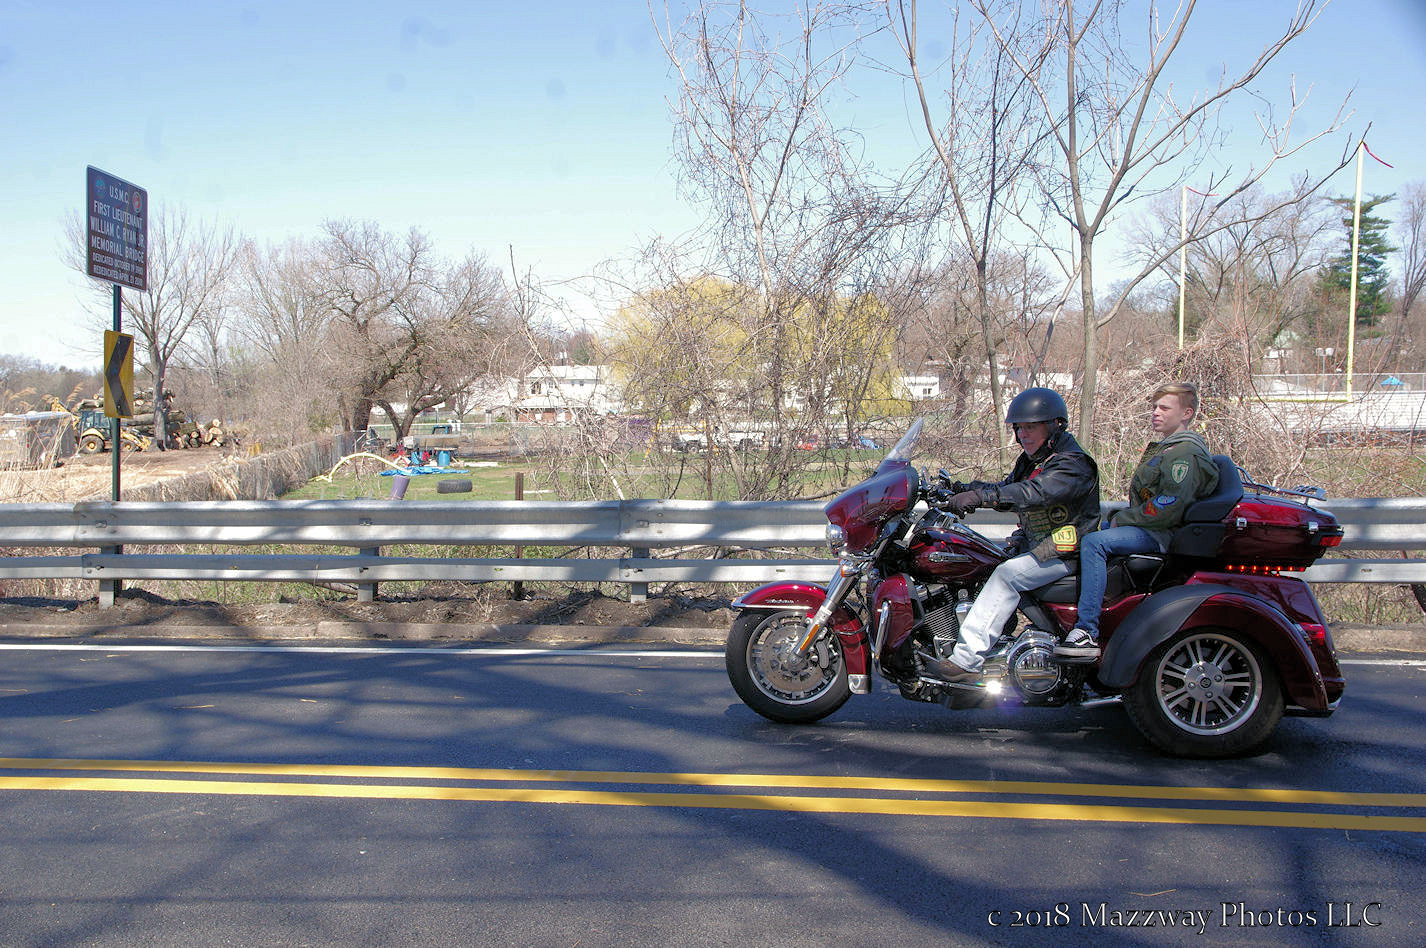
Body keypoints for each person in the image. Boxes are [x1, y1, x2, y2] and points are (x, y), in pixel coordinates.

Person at [927, 387, 1101, 683]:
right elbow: (1008, 486)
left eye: (1031, 427)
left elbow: (1033, 493)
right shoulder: (1034, 459)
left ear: (1055, 425)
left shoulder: (1072, 463)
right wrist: (962, 488)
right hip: (1038, 546)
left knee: (1007, 575)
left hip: (1064, 552)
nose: (1023, 435)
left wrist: (979, 498)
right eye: (1019, 428)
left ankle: (966, 660)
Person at [1054, 381, 1220, 662]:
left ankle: (1085, 630)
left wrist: (1123, 518)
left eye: (1165, 408)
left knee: (1094, 543)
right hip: (1149, 527)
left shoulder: (1185, 454)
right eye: (1154, 407)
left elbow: (1170, 506)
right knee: (1084, 537)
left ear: (1187, 413)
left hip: (1162, 534)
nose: (1156, 412)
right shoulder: (1167, 449)